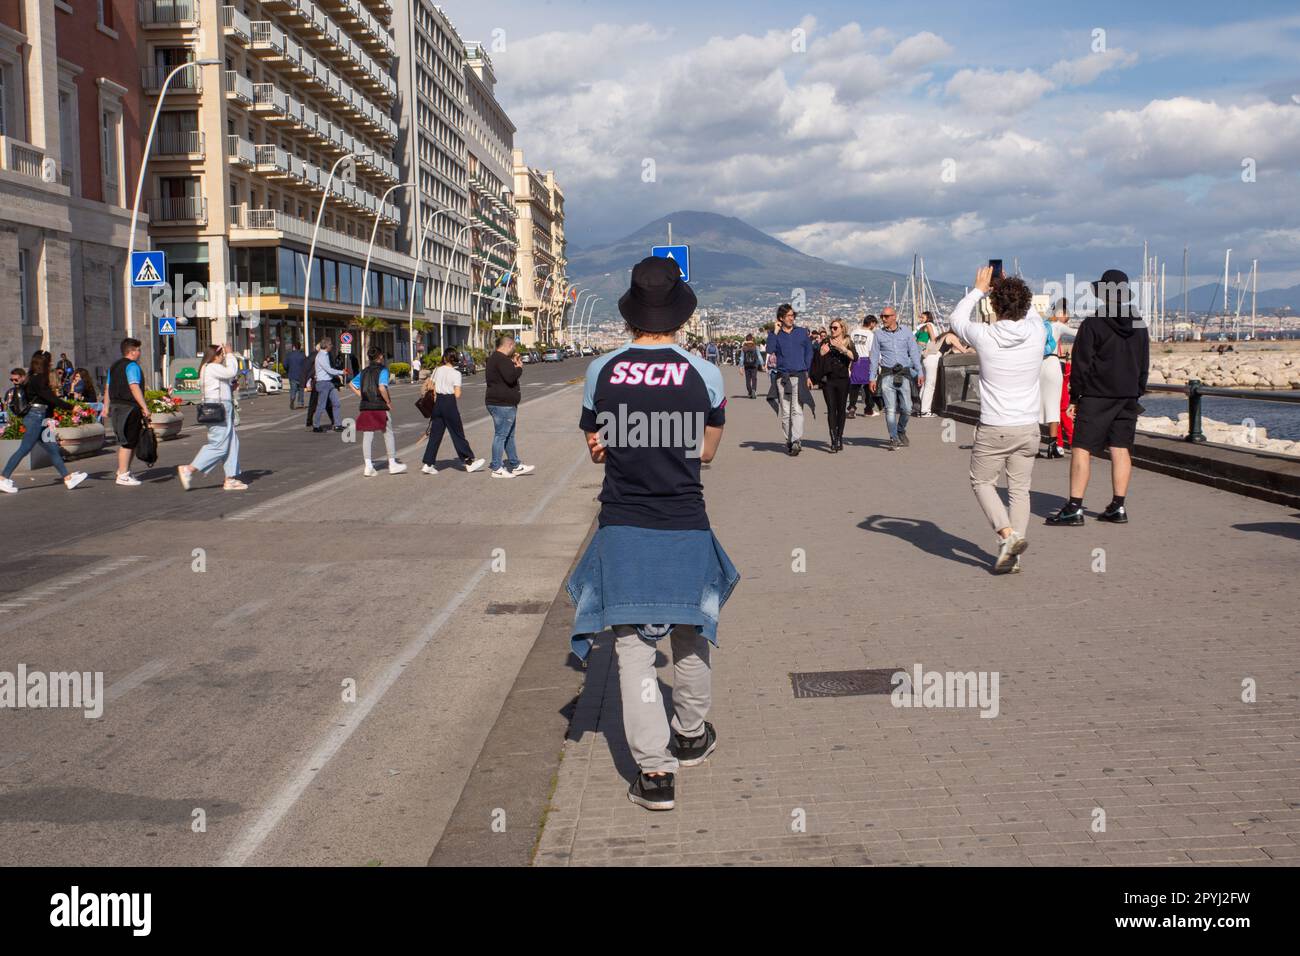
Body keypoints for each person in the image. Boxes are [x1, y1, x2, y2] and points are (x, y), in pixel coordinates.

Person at [569, 256, 738, 812]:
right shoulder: (702, 372)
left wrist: (623, 443)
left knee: (633, 651)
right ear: (679, 314)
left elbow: (596, 447)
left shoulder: (603, 370)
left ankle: (656, 774)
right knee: (690, 634)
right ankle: (690, 735)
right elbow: (707, 452)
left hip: (624, 524)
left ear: (631, 312)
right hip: (684, 522)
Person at [949, 265, 1046, 574]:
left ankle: (1007, 536)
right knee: (1019, 489)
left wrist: (979, 288)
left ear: (994, 306)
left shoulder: (984, 335)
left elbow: (956, 320)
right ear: (1026, 304)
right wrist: (1006, 290)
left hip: (995, 426)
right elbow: (1027, 311)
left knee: (981, 481)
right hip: (1029, 426)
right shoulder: (1036, 330)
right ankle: (1012, 556)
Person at [1046, 269, 1150, 526]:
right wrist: (1136, 390)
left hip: (1096, 394)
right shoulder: (1139, 325)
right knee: (1121, 448)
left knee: (1082, 448)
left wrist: (1075, 398)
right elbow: (1144, 363)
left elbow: (1082, 364)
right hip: (1127, 395)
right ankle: (1118, 506)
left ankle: (1074, 507)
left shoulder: (1093, 324)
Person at [0, 352, 88, 494]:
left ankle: (68, 478)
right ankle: (3, 478)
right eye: (50, 361)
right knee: (25, 448)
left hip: (39, 417)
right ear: (44, 363)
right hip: (35, 417)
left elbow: (47, 400)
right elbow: (51, 398)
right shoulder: (39, 379)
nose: (52, 364)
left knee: (52, 448)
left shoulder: (32, 377)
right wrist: (71, 407)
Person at [177, 343, 247, 491]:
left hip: (220, 405)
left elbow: (220, 384)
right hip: (218, 407)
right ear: (216, 355)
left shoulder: (209, 368)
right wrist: (230, 354)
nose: (223, 358)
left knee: (231, 442)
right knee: (219, 445)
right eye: (221, 355)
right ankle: (189, 469)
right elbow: (231, 371)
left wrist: (230, 387)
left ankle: (230, 478)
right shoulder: (211, 367)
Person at [420, 349, 485, 476]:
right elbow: (457, 394)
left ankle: (428, 464)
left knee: (435, 435)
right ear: (455, 359)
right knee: (457, 433)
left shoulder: (437, 370)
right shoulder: (456, 374)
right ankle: (469, 461)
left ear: (444, 358)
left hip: (437, 403)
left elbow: (431, 386)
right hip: (449, 403)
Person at [869, 307, 923, 449]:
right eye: (882, 316)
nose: (883, 319)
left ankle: (900, 430)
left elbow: (914, 353)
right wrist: (872, 378)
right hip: (887, 374)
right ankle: (893, 437)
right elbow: (874, 357)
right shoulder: (878, 335)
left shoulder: (906, 332)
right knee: (890, 409)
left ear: (894, 317)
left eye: (886, 316)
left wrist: (920, 372)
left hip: (904, 374)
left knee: (907, 408)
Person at [348, 346, 407, 477]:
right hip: (380, 406)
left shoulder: (363, 372)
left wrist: (362, 395)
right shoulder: (383, 371)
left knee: (367, 436)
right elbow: (381, 387)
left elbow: (351, 384)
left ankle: (368, 466)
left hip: (366, 406)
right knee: (388, 433)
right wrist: (388, 402)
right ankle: (392, 463)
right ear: (380, 356)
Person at [764, 304, 815, 456]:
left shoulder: (801, 332)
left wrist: (808, 373)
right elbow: (769, 349)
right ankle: (789, 439)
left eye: (793, 315)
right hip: (782, 377)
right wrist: (774, 331)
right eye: (788, 316)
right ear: (781, 318)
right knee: (786, 412)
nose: (791, 318)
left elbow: (809, 353)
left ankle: (796, 440)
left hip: (799, 375)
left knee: (797, 409)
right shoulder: (776, 334)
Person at [484, 334, 536, 479]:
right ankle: (497, 467)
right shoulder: (502, 359)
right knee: (501, 435)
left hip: (499, 403)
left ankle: (515, 465)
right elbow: (511, 377)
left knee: (509, 436)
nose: (514, 350)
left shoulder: (494, 358)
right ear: (510, 345)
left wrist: (513, 365)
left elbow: (504, 376)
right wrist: (519, 368)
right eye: (513, 347)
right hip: (503, 404)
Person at [103, 337, 152, 486]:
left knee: (130, 440)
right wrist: (144, 407)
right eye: (138, 349)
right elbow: (134, 387)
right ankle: (123, 474)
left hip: (117, 407)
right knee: (128, 442)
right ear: (132, 351)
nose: (140, 352)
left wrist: (106, 407)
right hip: (130, 407)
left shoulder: (114, 366)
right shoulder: (132, 366)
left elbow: (107, 388)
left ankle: (124, 471)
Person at [811, 320, 856, 452]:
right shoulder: (825, 342)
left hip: (843, 380)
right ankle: (833, 440)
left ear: (842, 328)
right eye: (831, 328)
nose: (833, 330)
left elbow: (855, 357)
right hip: (828, 381)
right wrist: (821, 354)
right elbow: (816, 360)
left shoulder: (848, 342)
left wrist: (843, 349)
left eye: (835, 327)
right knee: (831, 409)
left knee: (841, 410)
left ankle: (840, 437)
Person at [1039, 298, 1072, 460]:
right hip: (1052, 364)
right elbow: (1078, 333)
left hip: (1038, 366)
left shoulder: (1041, 325)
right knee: (1053, 407)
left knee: (1037, 406)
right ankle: (1053, 447)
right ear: (1061, 313)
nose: (1068, 318)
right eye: (1067, 314)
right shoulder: (1058, 326)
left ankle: (1034, 444)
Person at [311, 338, 346, 432]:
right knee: (321, 405)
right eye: (330, 344)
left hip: (329, 382)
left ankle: (337, 424)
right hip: (323, 383)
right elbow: (329, 370)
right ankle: (316, 425)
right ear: (326, 346)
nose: (332, 346)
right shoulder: (321, 356)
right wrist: (341, 372)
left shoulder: (325, 355)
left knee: (336, 403)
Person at [917, 312, 943, 417]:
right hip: (931, 356)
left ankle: (921, 408)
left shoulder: (925, 326)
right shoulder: (929, 325)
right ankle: (925, 411)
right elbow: (933, 339)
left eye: (922, 317)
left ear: (928, 318)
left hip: (924, 357)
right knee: (930, 384)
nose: (920, 319)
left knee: (925, 384)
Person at [284, 343, 308, 410]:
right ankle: (300, 403)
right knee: (301, 390)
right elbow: (306, 365)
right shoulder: (302, 355)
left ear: (294, 347)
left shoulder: (289, 355)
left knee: (293, 389)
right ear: (300, 347)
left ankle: (292, 398)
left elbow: (285, 364)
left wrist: (288, 370)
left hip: (292, 375)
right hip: (301, 375)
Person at [740, 333, 763, 399]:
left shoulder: (744, 347)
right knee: (754, 378)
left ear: (746, 339)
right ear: (752, 339)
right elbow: (759, 356)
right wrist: (762, 364)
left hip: (747, 365)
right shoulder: (756, 347)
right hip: (754, 365)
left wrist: (741, 367)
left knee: (748, 379)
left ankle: (750, 391)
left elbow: (742, 358)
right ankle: (753, 390)